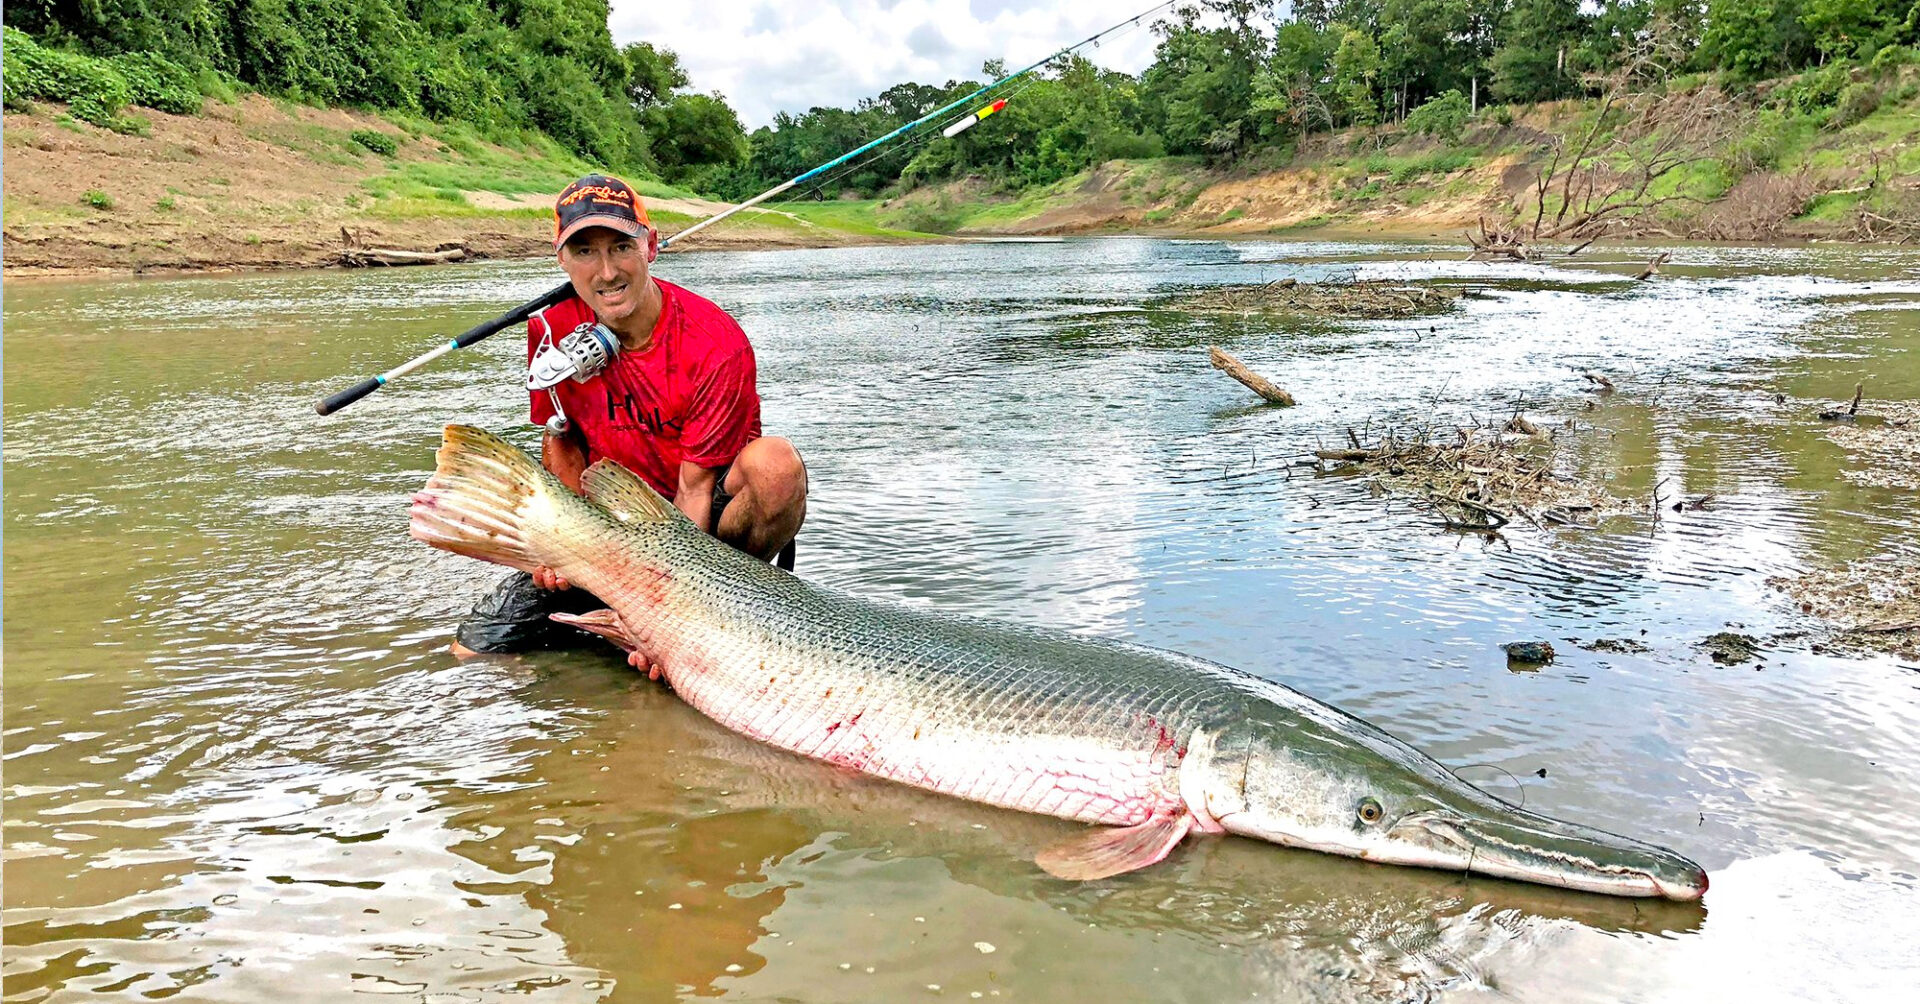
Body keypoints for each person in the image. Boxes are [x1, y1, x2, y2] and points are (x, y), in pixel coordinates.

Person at [451, 173, 808, 665]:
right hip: (611, 518)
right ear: (561, 260)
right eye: (584, 252)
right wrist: (561, 545)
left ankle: (733, 605)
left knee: (775, 465)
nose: (606, 272)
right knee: (471, 652)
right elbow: (559, 439)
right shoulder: (550, 329)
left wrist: (662, 618)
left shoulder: (714, 344)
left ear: (651, 246)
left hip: (699, 517)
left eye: (621, 246)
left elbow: (694, 490)